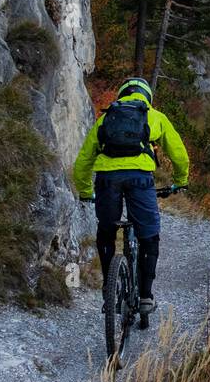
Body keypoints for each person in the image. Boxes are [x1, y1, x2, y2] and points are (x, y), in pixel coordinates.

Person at [72, 76, 188, 327]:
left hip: (106, 181)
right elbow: (179, 153)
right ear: (146, 96)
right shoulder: (154, 116)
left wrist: (84, 190)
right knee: (149, 235)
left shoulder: (106, 118)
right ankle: (145, 295)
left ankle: (108, 285)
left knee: (106, 231)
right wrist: (180, 180)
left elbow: (82, 162)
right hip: (140, 181)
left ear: (121, 95)